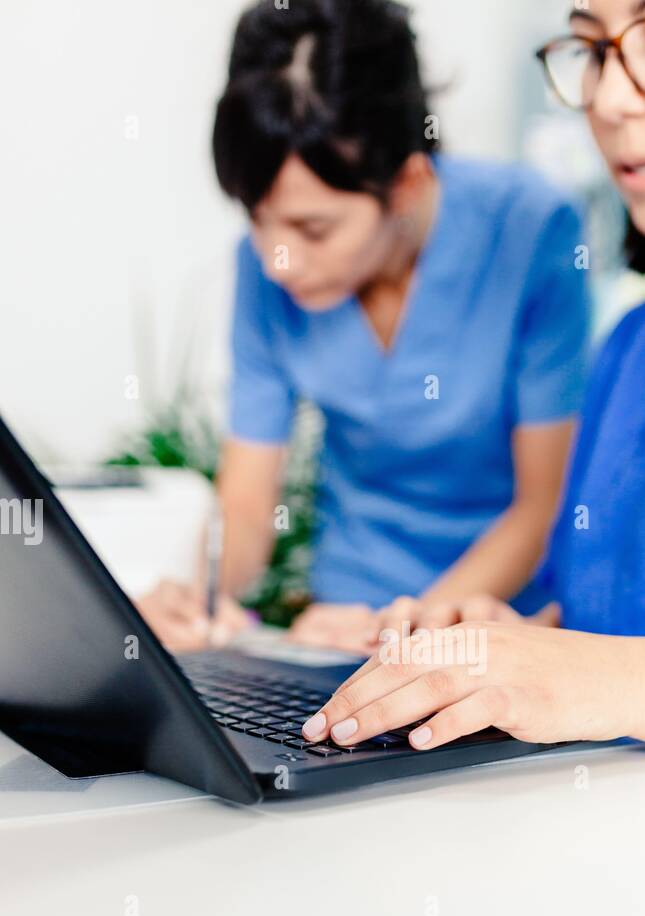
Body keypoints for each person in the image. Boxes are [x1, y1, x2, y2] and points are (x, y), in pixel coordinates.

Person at [303, 0, 645, 769]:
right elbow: (616, 616)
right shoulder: (633, 349)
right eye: (594, 49)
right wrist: (504, 647)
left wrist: (587, 674)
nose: (609, 98)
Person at [139, 0, 589, 652]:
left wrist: (405, 634)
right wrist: (199, 597)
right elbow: (247, 501)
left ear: (406, 184)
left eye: (312, 228)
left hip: (500, 633)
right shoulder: (264, 271)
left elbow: (539, 507)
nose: (276, 258)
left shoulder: (531, 230)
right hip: (341, 628)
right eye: (255, 219)